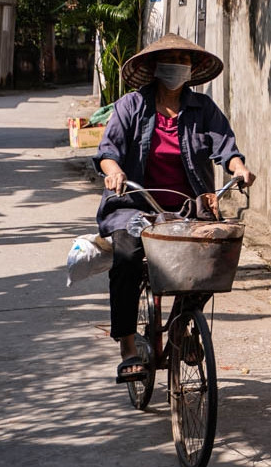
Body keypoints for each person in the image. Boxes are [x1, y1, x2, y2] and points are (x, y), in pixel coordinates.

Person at [93, 34, 255, 383]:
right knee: (127, 259)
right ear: (154, 67)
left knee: (214, 257)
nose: (177, 66)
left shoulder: (203, 108)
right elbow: (108, 151)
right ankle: (128, 347)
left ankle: (183, 326)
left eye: (184, 60)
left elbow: (226, 148)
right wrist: (115, 172)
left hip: (188, 207)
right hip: (135, 206)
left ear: (192, 69)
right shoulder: (130, 106)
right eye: (171, 60)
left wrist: (239, 168)